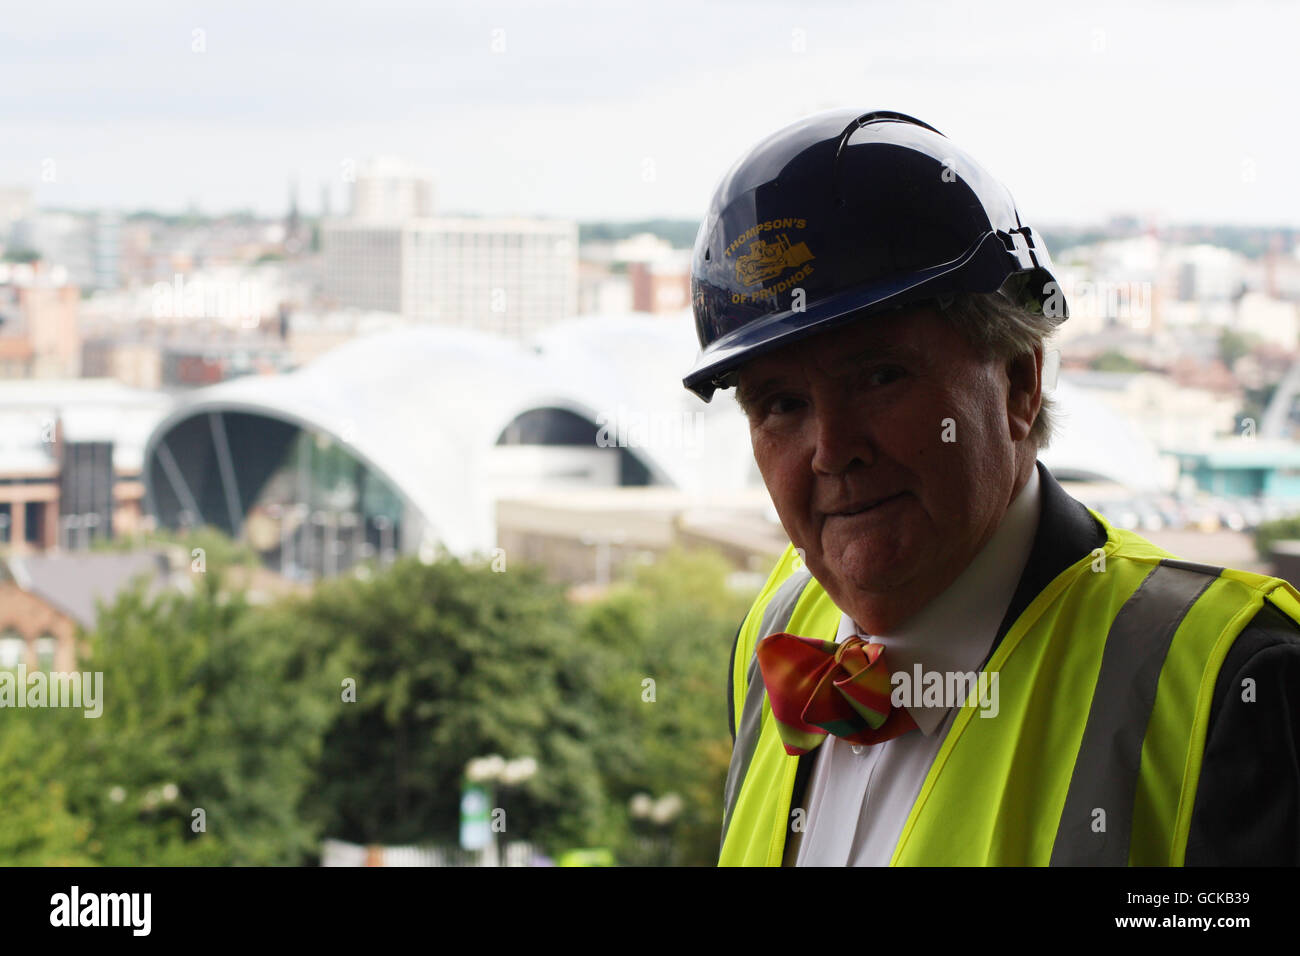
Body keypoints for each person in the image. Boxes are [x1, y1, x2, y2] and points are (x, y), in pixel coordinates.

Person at [682, 108, 1300, 866]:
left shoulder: (1231, 685)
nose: (833, 451)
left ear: (1018, 380)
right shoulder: (776, 633)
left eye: (880, 376)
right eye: (782, 404)